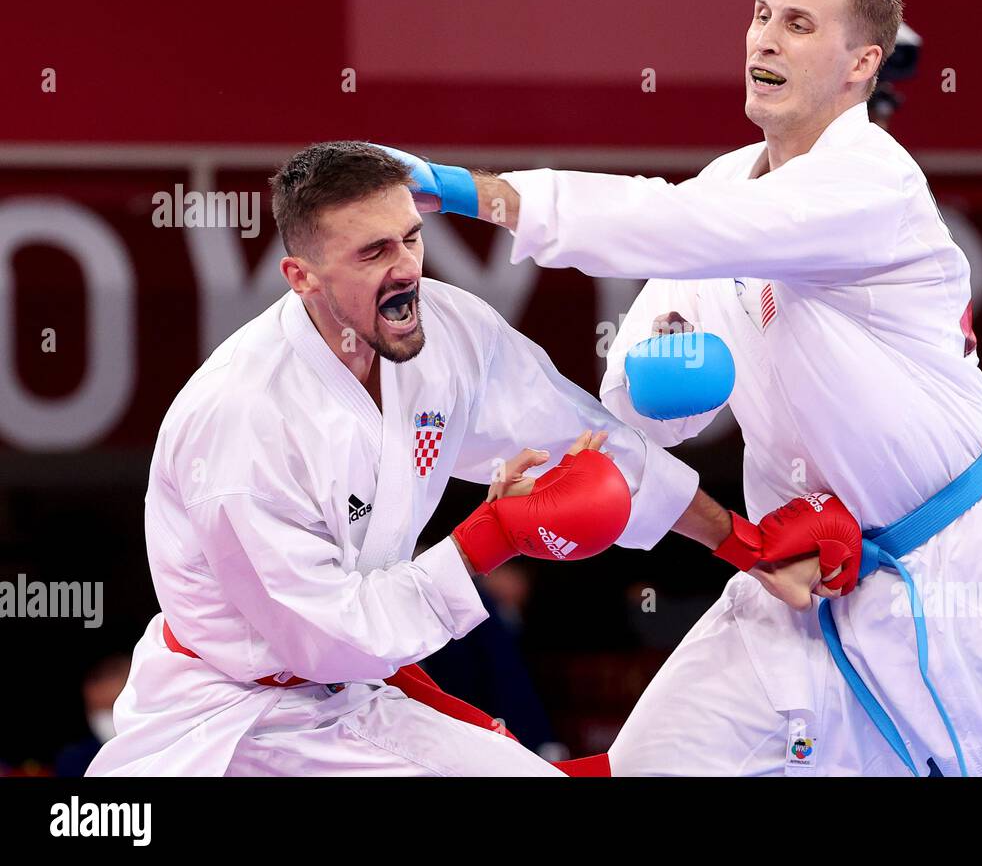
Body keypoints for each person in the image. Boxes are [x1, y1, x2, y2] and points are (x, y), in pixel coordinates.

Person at [385, 0, 982, 776]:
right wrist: (663, 372)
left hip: (979, 562)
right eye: (760, 17)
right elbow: (641, 404)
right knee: (652, 766)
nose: (764, 40)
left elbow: (682, 228)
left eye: (797, 24)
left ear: (863, 63)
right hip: (801, 582)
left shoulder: (873, 183)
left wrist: (475, 192)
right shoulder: (723, 190)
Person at [86, 142, 842, 777]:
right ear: (302, 277)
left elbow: (587, 441)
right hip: (238, 724)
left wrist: (742, 545)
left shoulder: (444, 334)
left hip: (349, 699)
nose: (406, 267)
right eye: (374, 251)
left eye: (410, 237)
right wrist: (492, 536)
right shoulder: (243, 424)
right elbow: (329, 639)